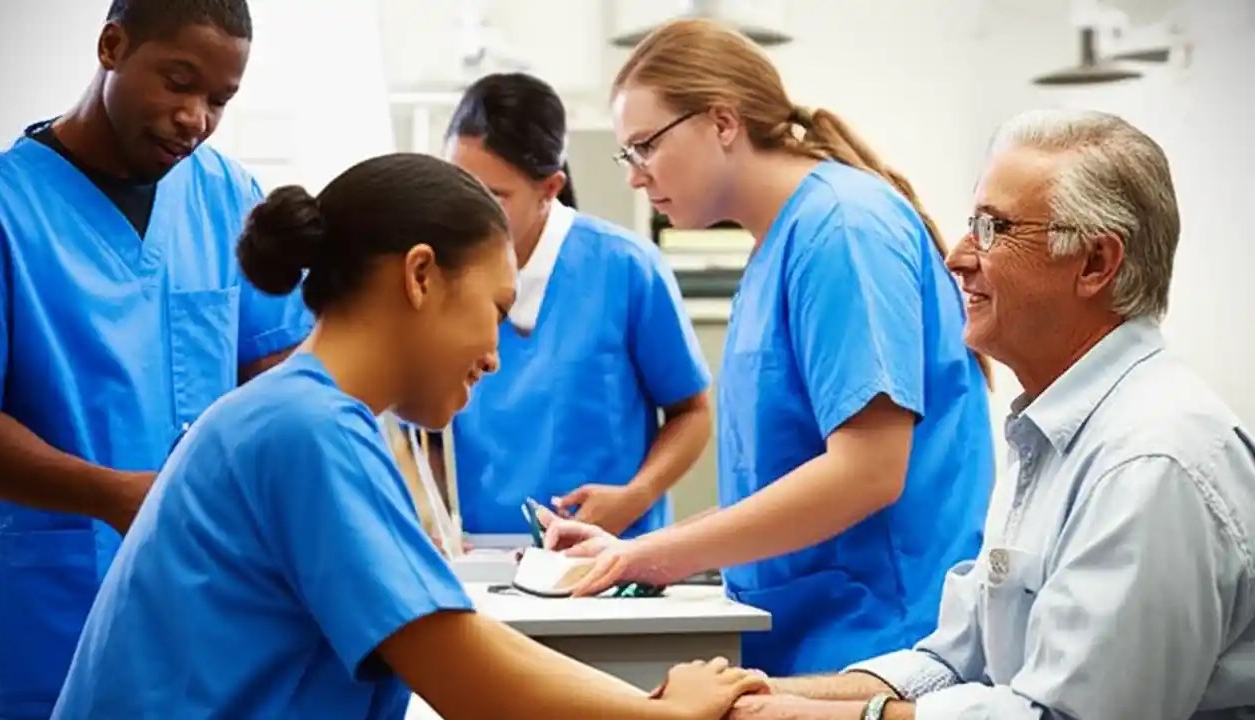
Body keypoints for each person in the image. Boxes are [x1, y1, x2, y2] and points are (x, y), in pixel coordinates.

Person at [50, 152, 766, 719]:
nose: (494, 354)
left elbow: (453, 633)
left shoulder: (294, 415)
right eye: (494, 308)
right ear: (421, 275)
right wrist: (661, 717)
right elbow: (464, 675)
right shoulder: (306, 430)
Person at [722, 110, 1255, 720]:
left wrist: (793, 715)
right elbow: (950, 664)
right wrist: (756, 694)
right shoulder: (1051, 436)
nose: (957, 257)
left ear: (1095, 263)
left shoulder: (1153, 464)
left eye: (994, 229)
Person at [538, 17, 996, 677]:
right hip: (806, 642)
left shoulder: (843, 229)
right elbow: (783, 484)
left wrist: (663, 554)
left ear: (723, 123)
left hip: (883, 645)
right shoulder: (777, 245)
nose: (636, 176)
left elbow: (867, 470)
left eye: (644, 147)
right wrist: (640, 550)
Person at [0, 1, 312, 717]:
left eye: (219, 100)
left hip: (206, 589)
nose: (196, 117)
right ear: (112, 46)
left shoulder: (228, 197)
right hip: (59, 600)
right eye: (178, 83)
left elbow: (277, 368)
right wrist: (109, 495)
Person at [443, 72, 713, 539]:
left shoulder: (625, 267)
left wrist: (636, 496)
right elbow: (423, 428)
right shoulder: (441, 272)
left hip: (612, 553)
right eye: (455, 186)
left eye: (493, 197)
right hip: (482, 556)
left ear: (550, 188)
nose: (465, 212)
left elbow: (693, 413)